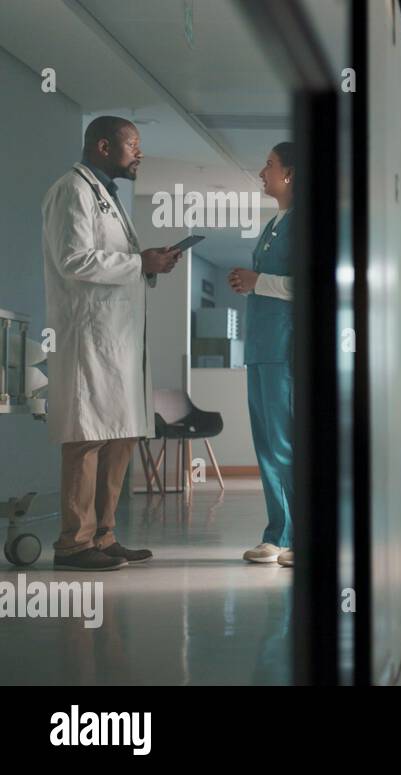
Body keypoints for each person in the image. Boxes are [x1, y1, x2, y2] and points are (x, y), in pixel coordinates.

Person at [41, 115, 180, 571]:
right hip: (89, 336)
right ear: (103, 146)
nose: (139, 153)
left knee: (120, 434)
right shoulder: (73, 190)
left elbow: (119, 263)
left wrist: (148, 265)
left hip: (117, 338)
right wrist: (140, 262)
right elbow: (72, 259)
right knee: (87, 438)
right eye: (132, 144)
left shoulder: (109, 197)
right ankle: (73, 545)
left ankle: (104, 535)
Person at [228, 143, 296, 567]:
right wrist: (251, 282)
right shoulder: (275, 222)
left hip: (286, 349)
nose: (261, 171)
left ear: (290, 174)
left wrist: (259, 282)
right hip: (262, 349)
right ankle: (278, 534)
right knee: (268, 446)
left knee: (287, 444)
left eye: (268, 165)